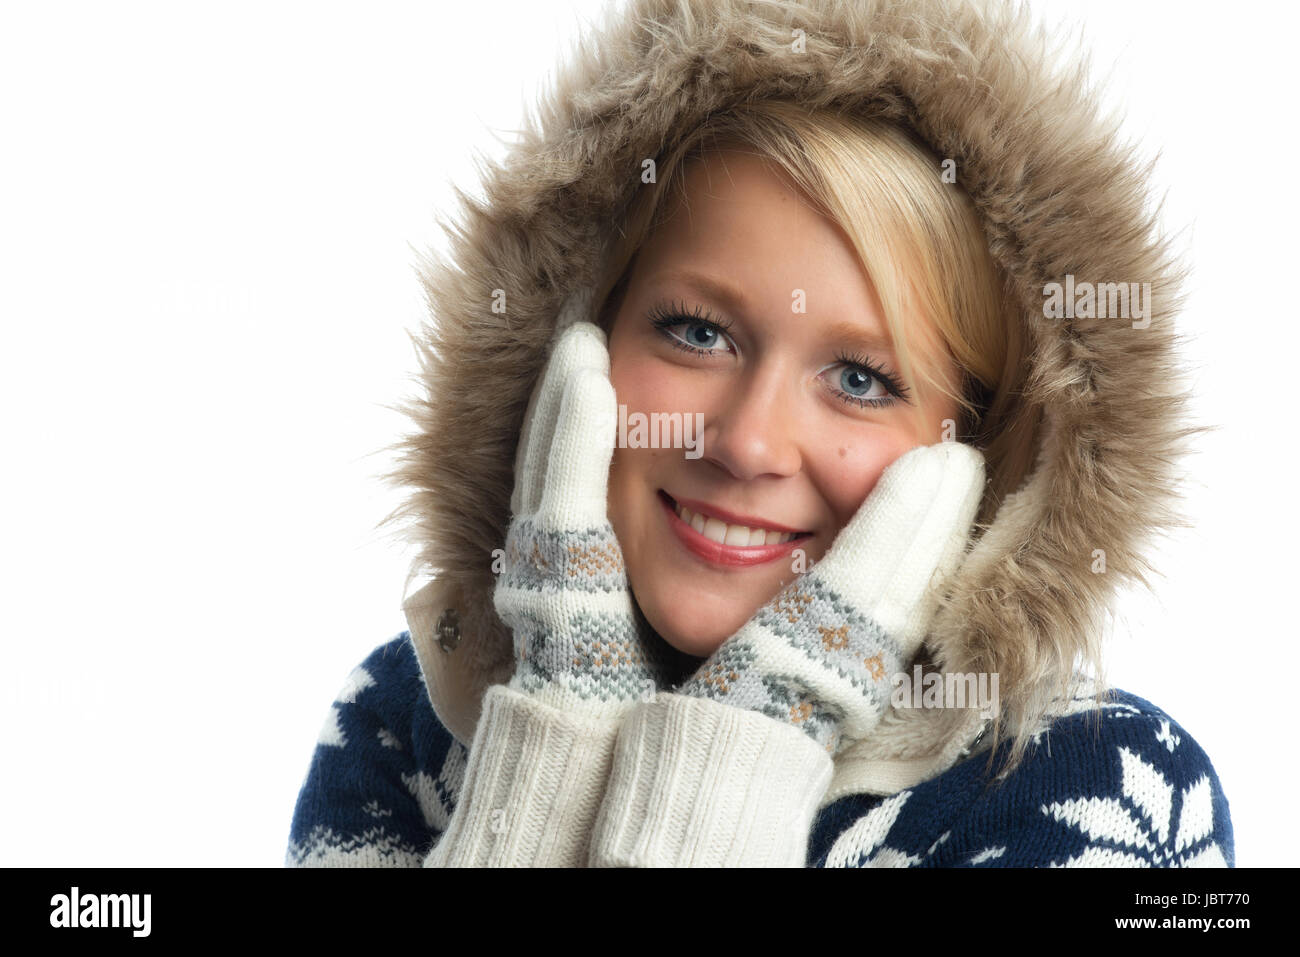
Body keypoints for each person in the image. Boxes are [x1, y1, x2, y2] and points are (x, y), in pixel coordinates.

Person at [285, 0, 1234, 867]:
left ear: (977, 462)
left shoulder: (1108, 789)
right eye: (698, 332)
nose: (746, 444)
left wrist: (744, 760)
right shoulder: (406, 720)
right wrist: (558, 725)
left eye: (862, 380)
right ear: (578, 338)